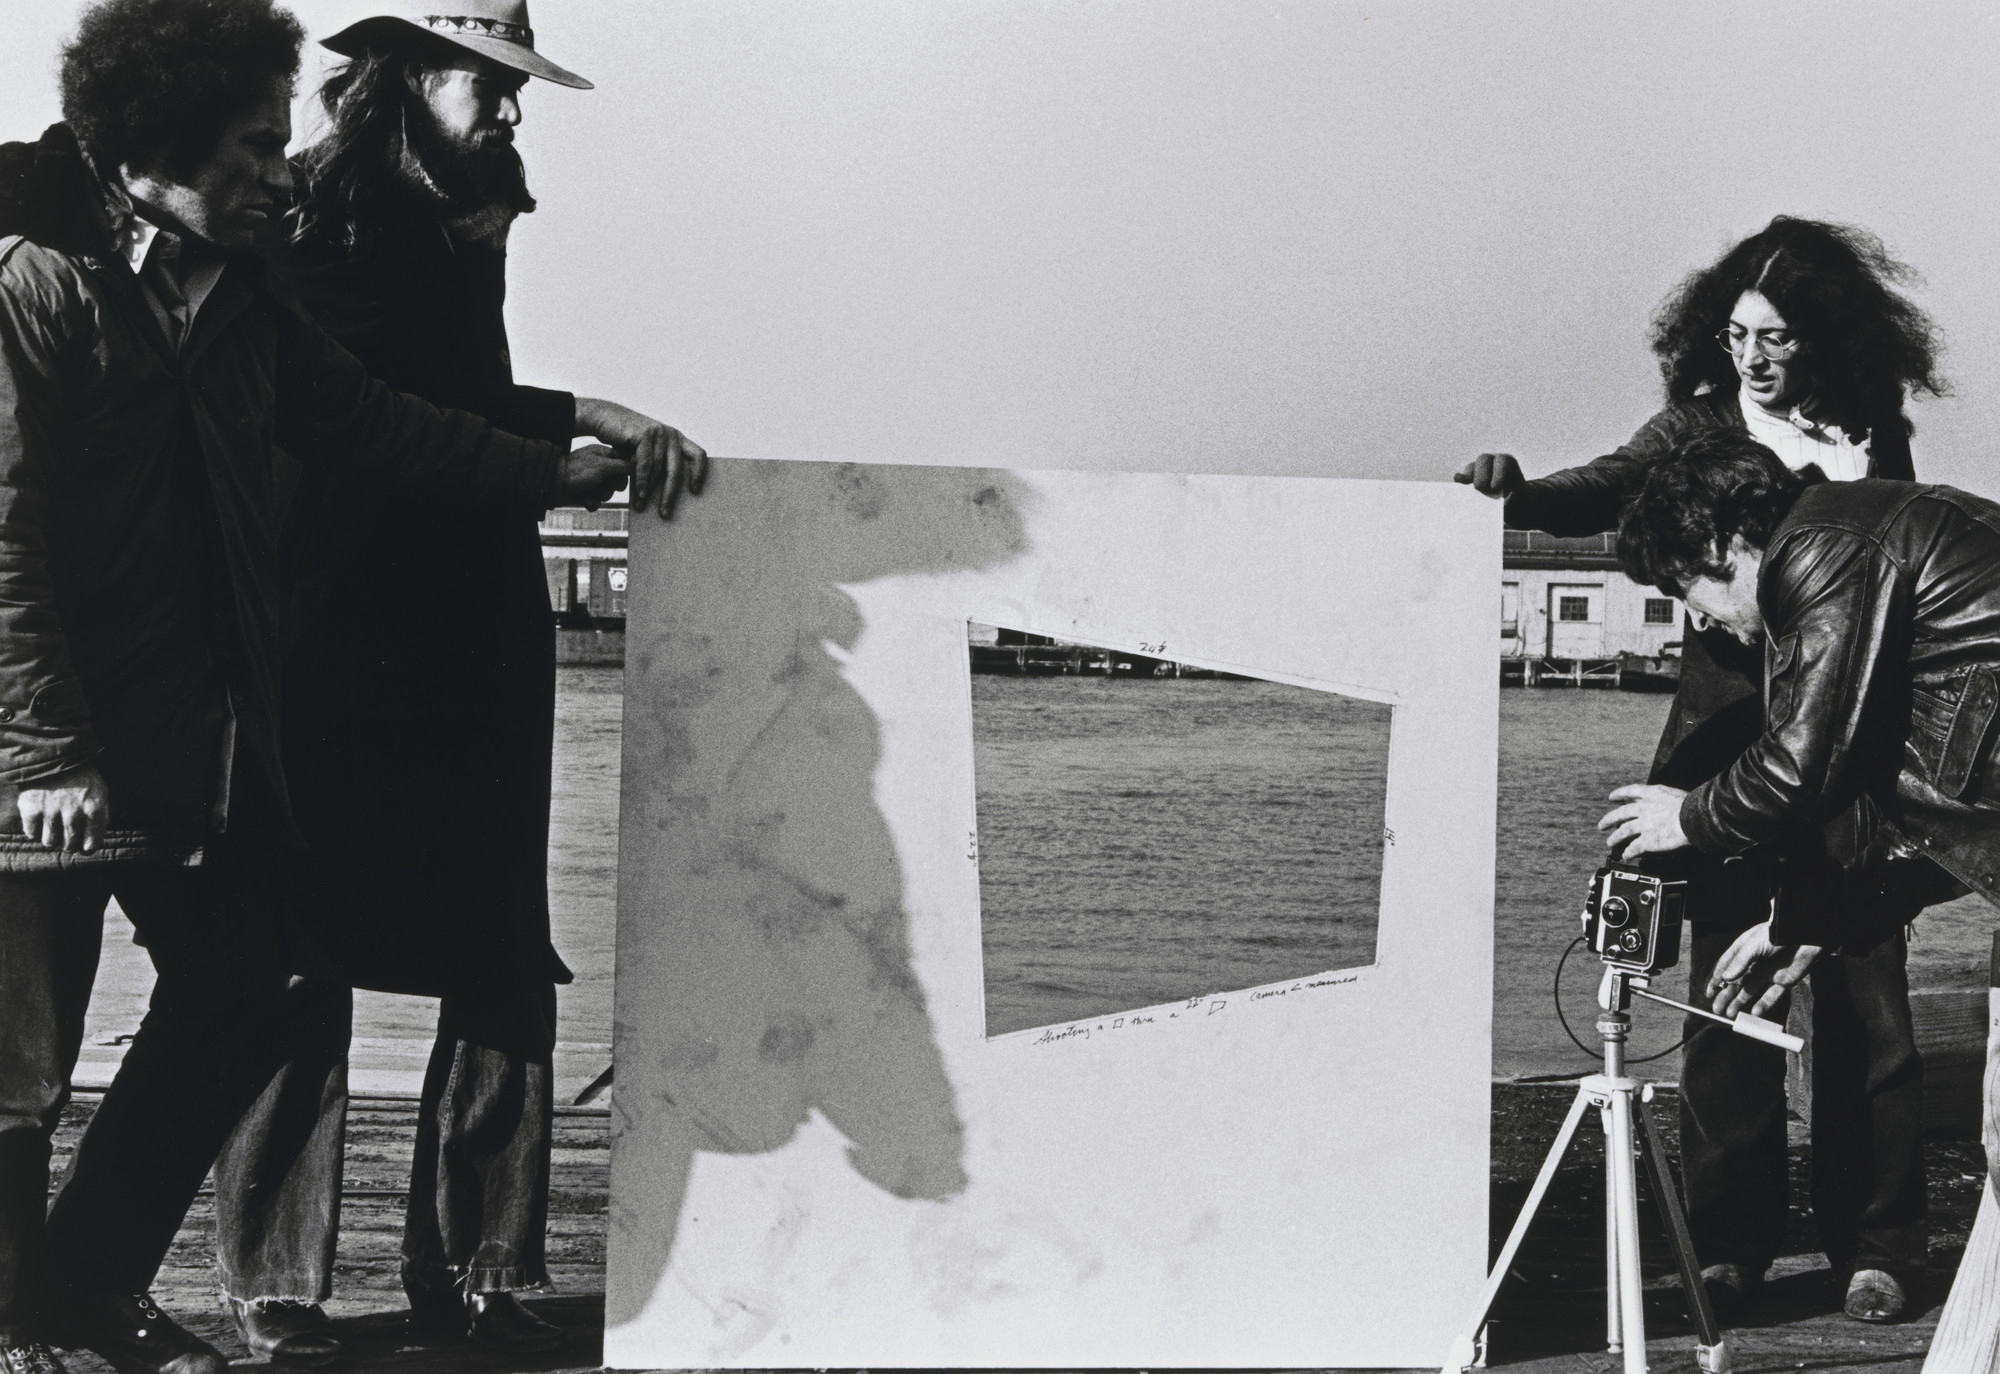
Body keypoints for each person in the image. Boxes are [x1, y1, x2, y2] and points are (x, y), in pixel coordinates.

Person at [0, 1, 637, 1370]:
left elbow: (377, 421)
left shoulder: (242, 299)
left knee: (240, 976)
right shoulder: (35, 285)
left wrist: (552, 463)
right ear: (155, 142)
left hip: (175, 731)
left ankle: (74, 1284)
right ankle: (28, 1322)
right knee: (19, 1066)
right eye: (250, 145)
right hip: (36, 746)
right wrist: (46, 758)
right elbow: (1, 548)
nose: (278, 170)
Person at [206, 2, 706, 1363]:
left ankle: (485, 1266)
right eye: (491, 85)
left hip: (468, 615)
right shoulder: (308, 218)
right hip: (335, 618)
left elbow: (450, 385)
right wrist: (566, 435)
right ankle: (275, 1281)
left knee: (496, 944)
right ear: (412, 76)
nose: (511, 112)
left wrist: (578, 412)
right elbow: (378, 404)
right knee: (304, 946)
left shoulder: (456, 205)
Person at [1456, 217, 1945, 1322]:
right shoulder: (1694, 424)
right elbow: (1602, 487)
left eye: (1771, 338)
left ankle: (1877, 1245)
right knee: (1722, 1014)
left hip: (1849, 747)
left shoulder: (1876, 429)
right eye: (1733, 335)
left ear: (1823, 336)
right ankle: (1728, 1246)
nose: (1750, 358)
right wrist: (1520, 494)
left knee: (1865, 1012)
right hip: (1723, 759)